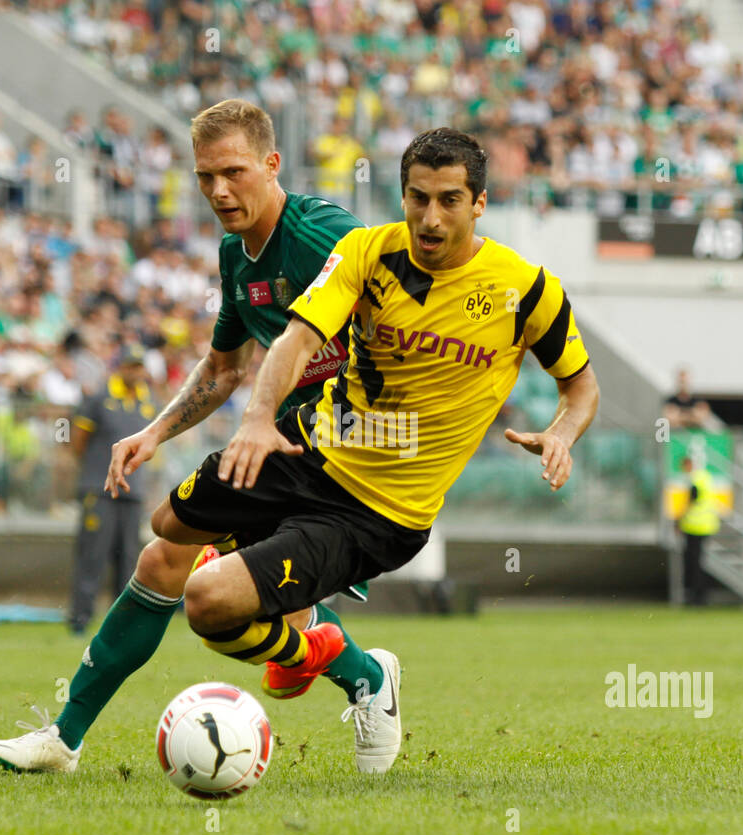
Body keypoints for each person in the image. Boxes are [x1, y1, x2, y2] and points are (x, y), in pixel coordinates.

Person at [138, 127, 598, 773]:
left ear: (480, 204)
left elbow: (581, 387)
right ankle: (303, 620)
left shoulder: (527, 290)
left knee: (208, 605)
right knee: (167, 528)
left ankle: (361, 675)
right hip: (308, 452)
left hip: (379, 511)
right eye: (417, 198)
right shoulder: (364, 251)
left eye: (449, 200)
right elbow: (296, 339)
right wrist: (259, 419)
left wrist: (561, 432)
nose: (429, 218)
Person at [0, 100, 369, 774]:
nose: (219, 191)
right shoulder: (235, 256)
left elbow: (397, 310)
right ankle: (64, 741)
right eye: (205, 177)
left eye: (234, 172)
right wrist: (154, 431)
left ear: (273, 165)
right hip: (283, 447)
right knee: (171, 563)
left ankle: (361, 671)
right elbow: (224, 367)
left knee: (219, 595)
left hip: (345, 458)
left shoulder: (321, 235)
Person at [65, 343, 156, 636]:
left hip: (133, 492)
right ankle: (80, 619)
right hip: (99, 489)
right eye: (131, 366)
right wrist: (96, 469)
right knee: (93, 554)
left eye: (140, 366)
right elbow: (78, 440)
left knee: (128, 559)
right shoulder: (99, 397)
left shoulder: (149, 401)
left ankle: (121, 625)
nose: (136, 372)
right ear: (120, 368)